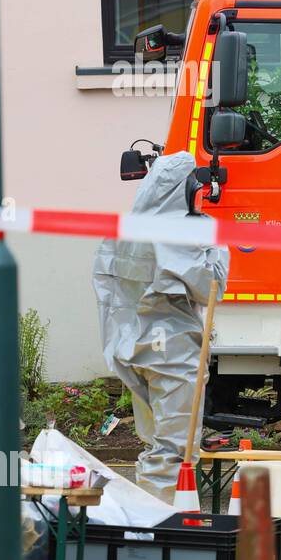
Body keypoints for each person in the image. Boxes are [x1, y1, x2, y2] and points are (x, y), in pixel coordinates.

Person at [92, 153, 229, 502]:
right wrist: (214, 248)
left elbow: (105, 287)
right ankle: (161, 523)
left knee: (155, 439)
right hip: (173, 349)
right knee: (175, 447)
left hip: (132, 346)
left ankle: (147, 521)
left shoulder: (122, 230)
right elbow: (207, 286)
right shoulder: (177, 232)